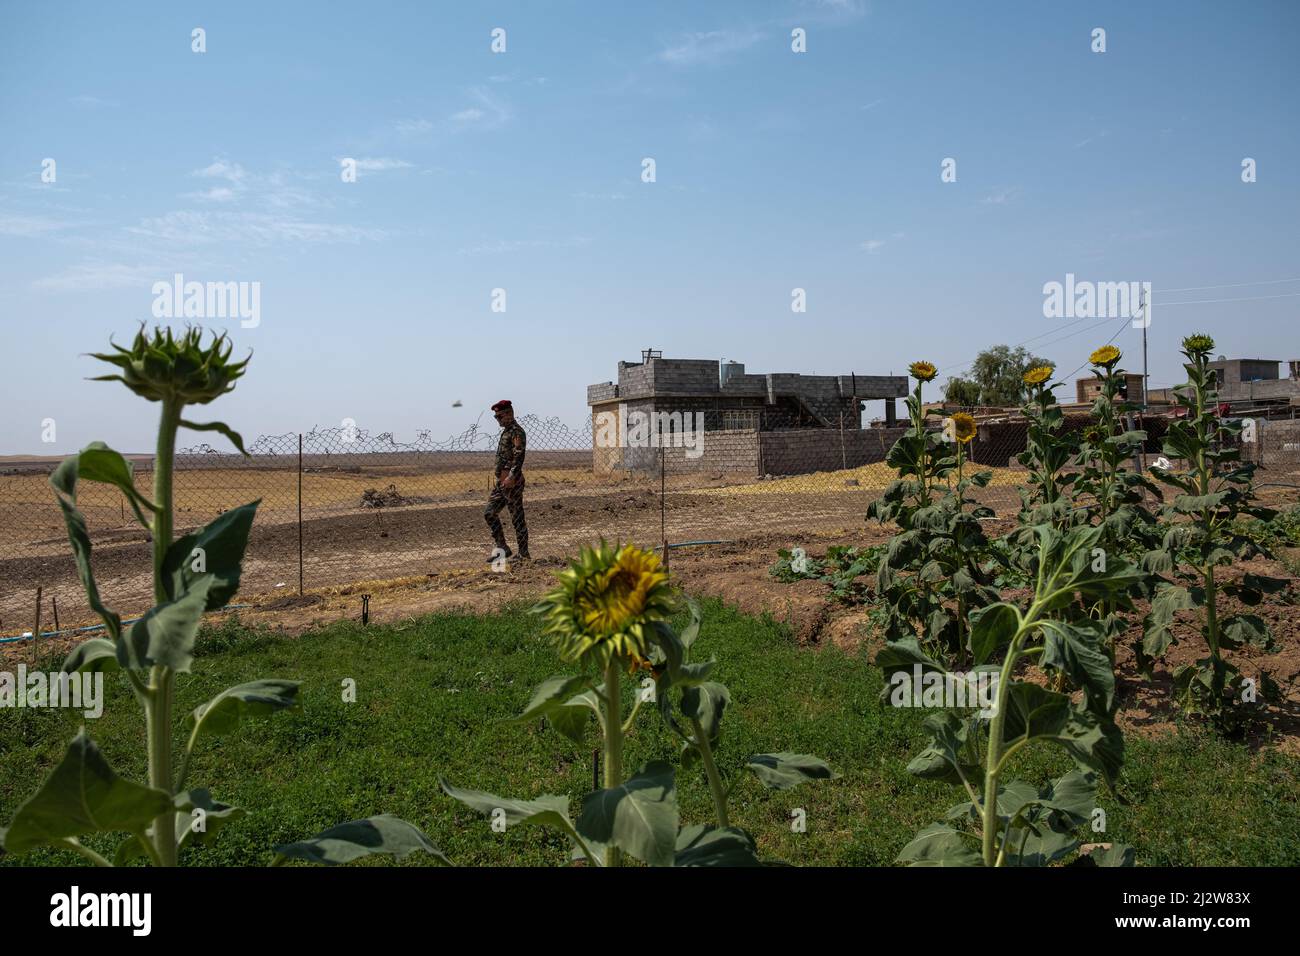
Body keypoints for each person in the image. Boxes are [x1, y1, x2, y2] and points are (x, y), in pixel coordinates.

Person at [484, 399, 529, 562]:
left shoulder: (517, 431)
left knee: (517, 518)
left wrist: (512, 476)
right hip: (502, 482)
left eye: (500, 416)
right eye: (496, 417)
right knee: (489, 513)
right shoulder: (507, 431)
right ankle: (502, 547)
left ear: (509, 414)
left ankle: (524, 554)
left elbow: (519, 456)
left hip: (512, 482)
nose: (498, 419)